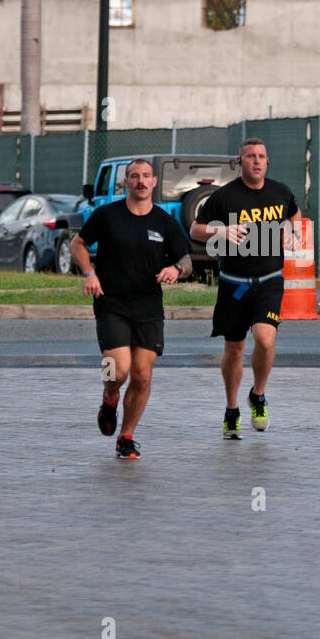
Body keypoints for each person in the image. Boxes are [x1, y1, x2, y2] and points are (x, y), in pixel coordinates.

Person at [71, 158, 192, 460]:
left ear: (154, 183)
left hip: (148, 307)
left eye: (146, 176)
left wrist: (176, 268)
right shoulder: (107, 215)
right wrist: (89, 273)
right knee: (117, 370)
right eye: (134, 176)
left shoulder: (165, 222)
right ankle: (110, 396)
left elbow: (187, 260)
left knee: (142, 376)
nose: (140, 181)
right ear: (126, 182)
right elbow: (78, 244)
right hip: (111, 303)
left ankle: (126, 437)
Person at [189, 139, 301, 439]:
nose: (257, 161)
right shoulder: (224, 197)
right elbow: (196, 230)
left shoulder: (281, 192)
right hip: (234, 284)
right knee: (234, 348)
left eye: (262, 156)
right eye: (250, 156)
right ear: (240, 161)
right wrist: (220, 230)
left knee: (265, 338)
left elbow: (294, 214)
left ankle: (258, 395)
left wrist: (293, 231)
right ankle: (231, 409)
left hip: (269, 279)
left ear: (268, 161)